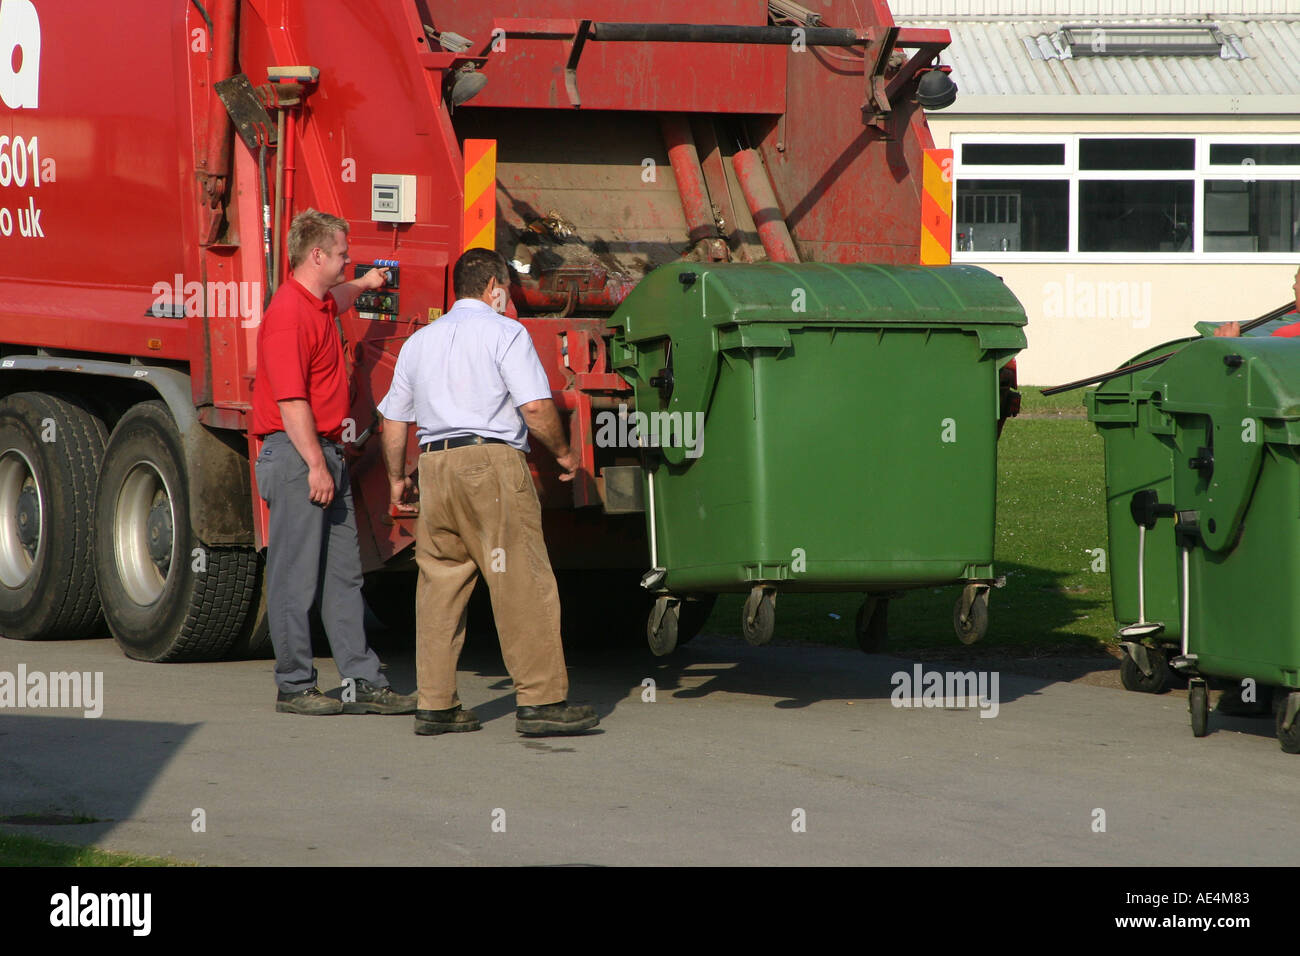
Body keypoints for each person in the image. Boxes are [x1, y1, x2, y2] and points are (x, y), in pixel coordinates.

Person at [378, 247, 599, 737]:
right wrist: (565, 454)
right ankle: (541, 702)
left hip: (435, 466)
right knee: (520, 579)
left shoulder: (419, 342)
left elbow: (394, 418)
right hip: (491, 465)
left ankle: (435, 705)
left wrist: (398, 477)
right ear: (494, 288)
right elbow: (537, 408)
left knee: (440, 585)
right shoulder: (506, 333)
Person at [252, 209, 416, 717]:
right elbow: (290, 401)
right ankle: (294, 685)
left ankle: (361, 679)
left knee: (344, 576)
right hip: (301, 455)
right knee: (294, 577)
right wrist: (317, 467)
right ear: (317, 255)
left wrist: (367, 282)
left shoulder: (318, 302)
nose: (349, 259)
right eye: (343, 253)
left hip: (324, 455)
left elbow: (340, 297)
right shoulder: (288, 316)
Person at [1213, 264, 1300, 338]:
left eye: (1297, 281)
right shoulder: (1289, 317)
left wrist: (1229, 343)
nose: (1294, 286)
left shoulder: (1286, 335)